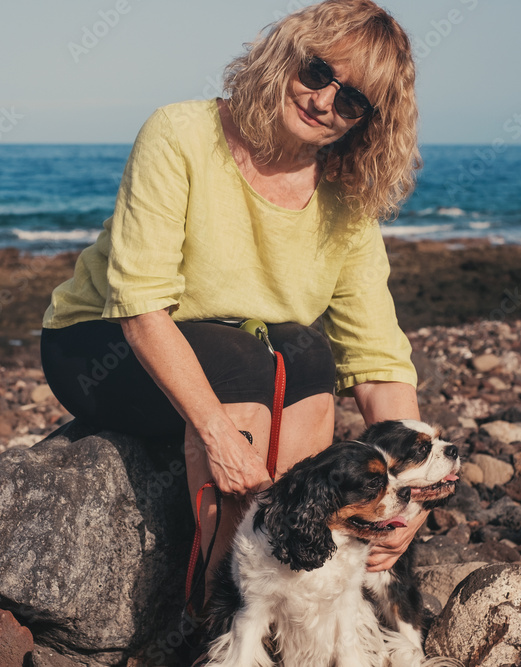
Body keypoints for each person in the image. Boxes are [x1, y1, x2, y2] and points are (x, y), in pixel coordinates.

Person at [40, 0, 425, 597]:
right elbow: (142, 307)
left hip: (238, 358)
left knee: (309, 352)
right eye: (318, 73)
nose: (323, 100)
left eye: (350, 99)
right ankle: (221, 600)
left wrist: (412, 489)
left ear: (366, 121)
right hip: (103, 344)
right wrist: (215, 433)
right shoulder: (181, 133)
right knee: (243, 361)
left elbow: (376, 360)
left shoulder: (347, 201)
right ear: (287, 56)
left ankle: (298, 585)